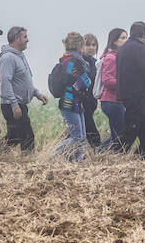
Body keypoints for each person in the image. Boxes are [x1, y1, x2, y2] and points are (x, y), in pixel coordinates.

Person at [115, 21, 145, 157]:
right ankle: (114, 153)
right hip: (136, 93)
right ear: (144, 34)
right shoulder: (138, 48)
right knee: (133, 127)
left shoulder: (124, 48)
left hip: (128, 93)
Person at [0, 26, 49, 152]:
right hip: (12, 104)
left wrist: (37, 94)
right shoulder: (8, 58)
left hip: (19, 104)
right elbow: (6, 82)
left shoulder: (20, 56)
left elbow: (24, 80)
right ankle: (28, 164)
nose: (28, 40)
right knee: (27, 136)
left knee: (14, 137)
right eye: (25, 37)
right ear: (16, 38)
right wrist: (15, 105)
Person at [52, 31, 93, 162]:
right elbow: (85, 82)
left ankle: (78, 160)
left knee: (81, 136)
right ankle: (53, 154)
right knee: (77, 136)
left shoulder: (65, 60)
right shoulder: (75, 62)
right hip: (71, 101)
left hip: (72, 100)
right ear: (79, 46)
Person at [96, 28, 128, 151]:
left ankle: (99, 152)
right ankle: (99, 152)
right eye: (123, 38)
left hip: (116, 101)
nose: (126, 40)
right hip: (111, 101)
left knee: (117, 136)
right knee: (120, 136)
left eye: (126, 37)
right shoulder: (111, 58)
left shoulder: (118, 56)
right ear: (114, 41)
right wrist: (125, 83)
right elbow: (107, 81)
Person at [80, 33, 102, 149]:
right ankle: (99, 151)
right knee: (90, 129)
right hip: (81, 102)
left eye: (94, 45)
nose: (91, 48)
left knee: (79, 131)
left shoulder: (95, 63)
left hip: (91, 101)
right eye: (87, 45)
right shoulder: (79, 61)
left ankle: (66, 154)